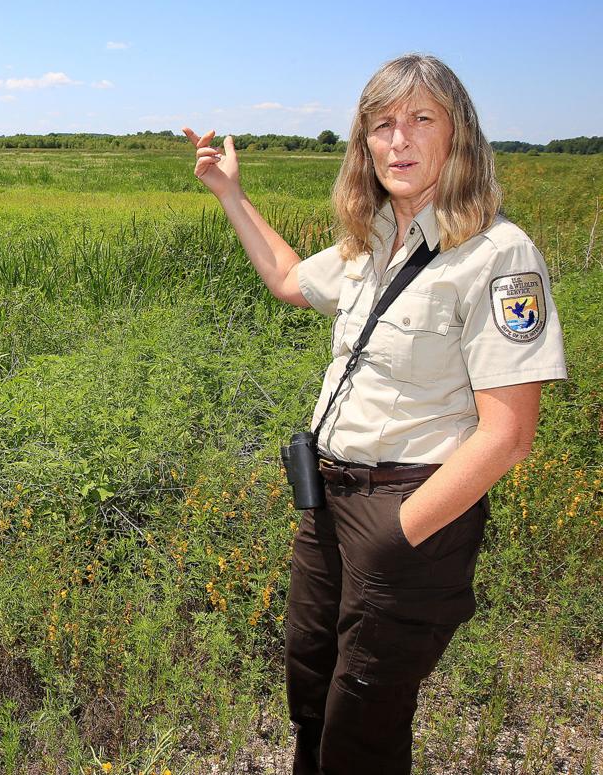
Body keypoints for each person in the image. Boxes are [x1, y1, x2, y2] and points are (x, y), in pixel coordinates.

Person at [183, 53, 567, 774]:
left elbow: (509, 434)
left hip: (411, 506)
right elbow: (290, 279)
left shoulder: (498, 254)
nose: (399, 140)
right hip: (329, 502)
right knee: (310, 690)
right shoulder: (375, 237)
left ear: (460, 137)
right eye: (382, 124)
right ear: (363, 144)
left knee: (365, 720)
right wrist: (229, 193)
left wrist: (401, 531)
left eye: (421, 119)